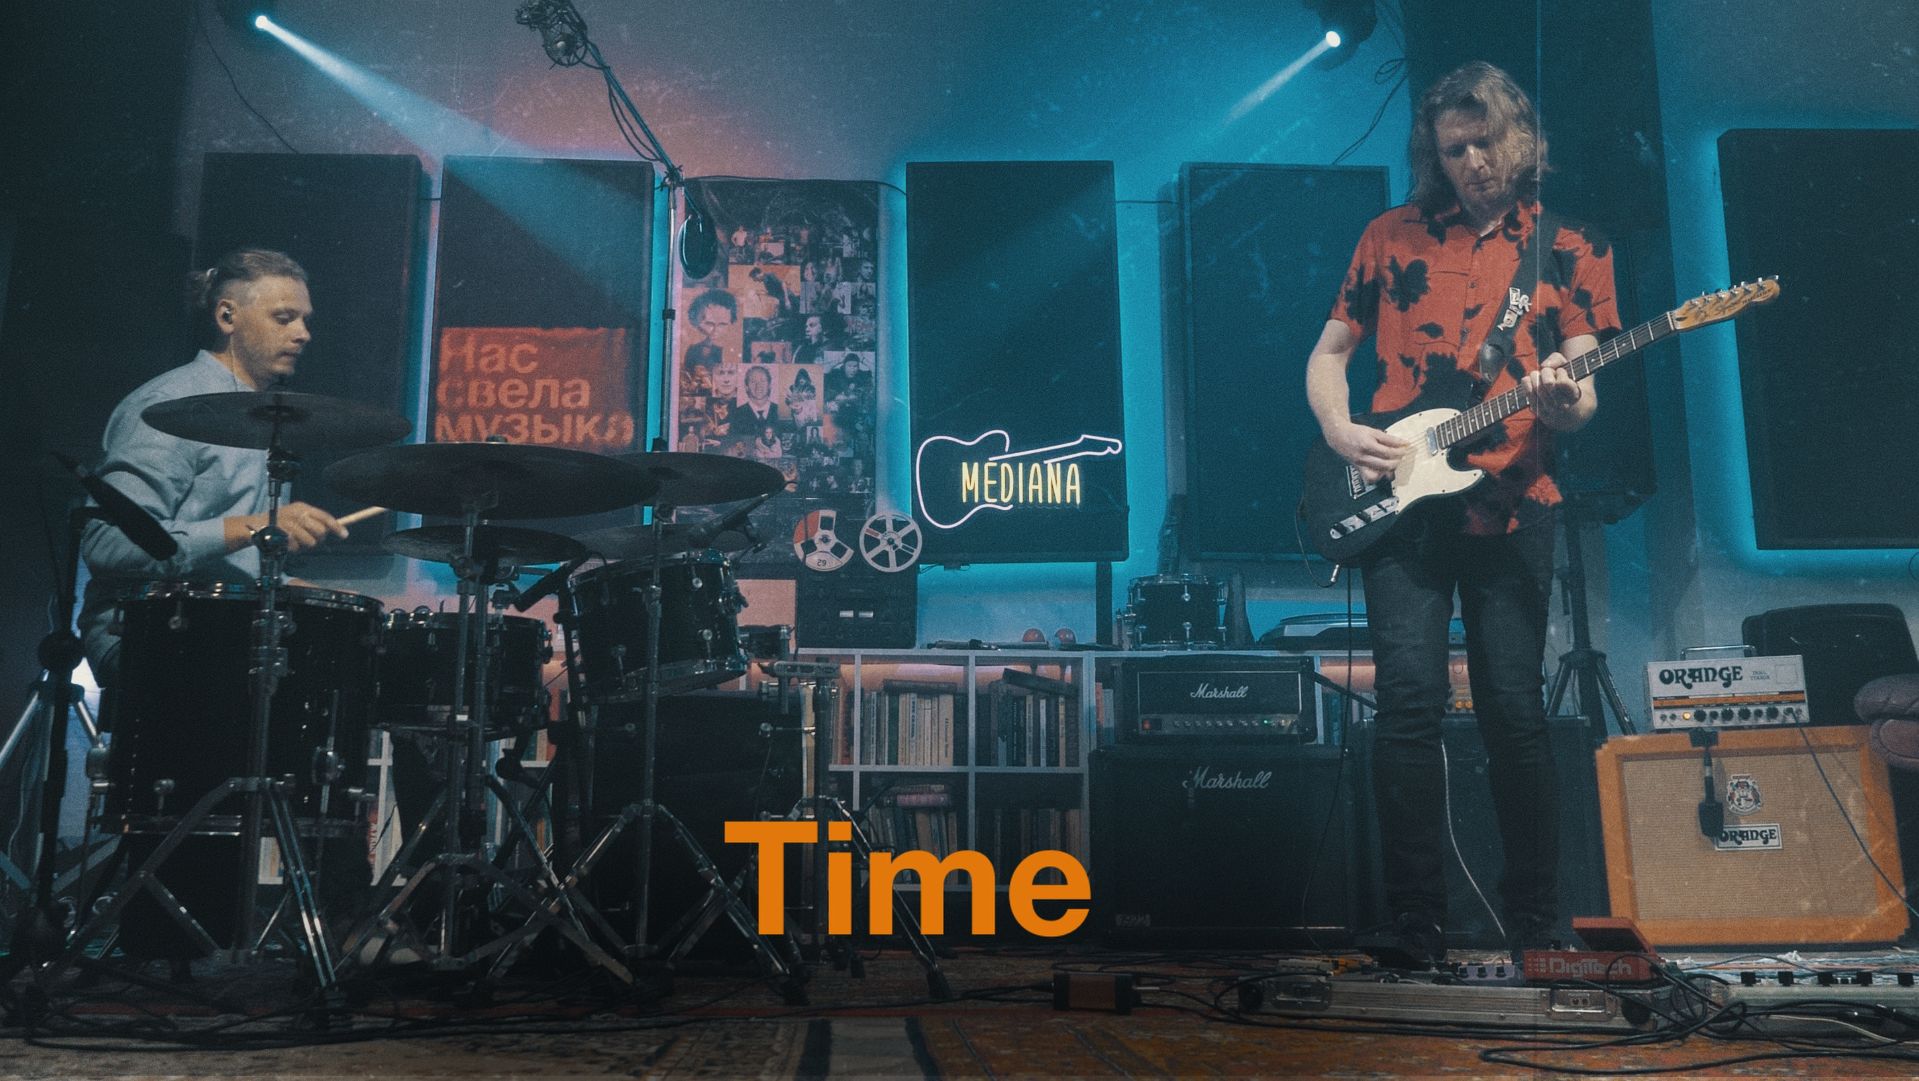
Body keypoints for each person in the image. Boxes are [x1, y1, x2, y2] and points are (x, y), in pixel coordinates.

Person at [1303, 62, 1620, 965]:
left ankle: (1534, 924)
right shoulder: (1388, 235)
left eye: (1484, 143)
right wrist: (1338, 428)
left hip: (1515, 503)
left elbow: (1583, 385)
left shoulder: (1569, 244)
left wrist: (1564, 400)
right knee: (1404, 705)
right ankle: (1414, 926)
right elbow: (1329, 352)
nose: (1472, 162)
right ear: (1431, 154)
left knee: (1514, 714)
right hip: (1403, 503)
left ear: (1519, 138)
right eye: (1453, 149)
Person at [79, 249, 349, 685]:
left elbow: (238, 571)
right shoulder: (169, 405)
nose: (303, 334)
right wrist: (258, 526)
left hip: (226, 622)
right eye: (284, 318)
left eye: (305, 320)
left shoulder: (267, 418)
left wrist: (330, 600)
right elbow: (109, 545)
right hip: (145, 629)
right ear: (227, 316)